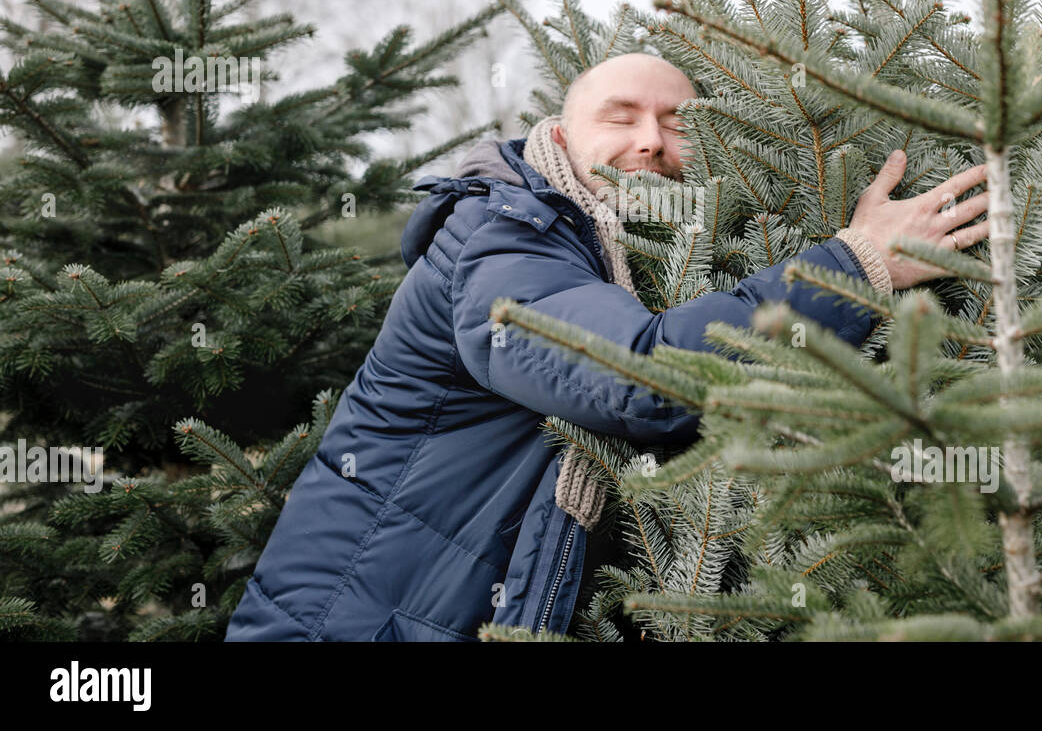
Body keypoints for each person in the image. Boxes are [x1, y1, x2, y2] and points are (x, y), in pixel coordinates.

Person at [223, 52, 990, 641]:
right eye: (620, 118)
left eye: (679, 121)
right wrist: (854, 265)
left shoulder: (623, 249)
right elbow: (640, 379)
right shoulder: (504, 233)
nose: (651, 143)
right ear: (558, 138)